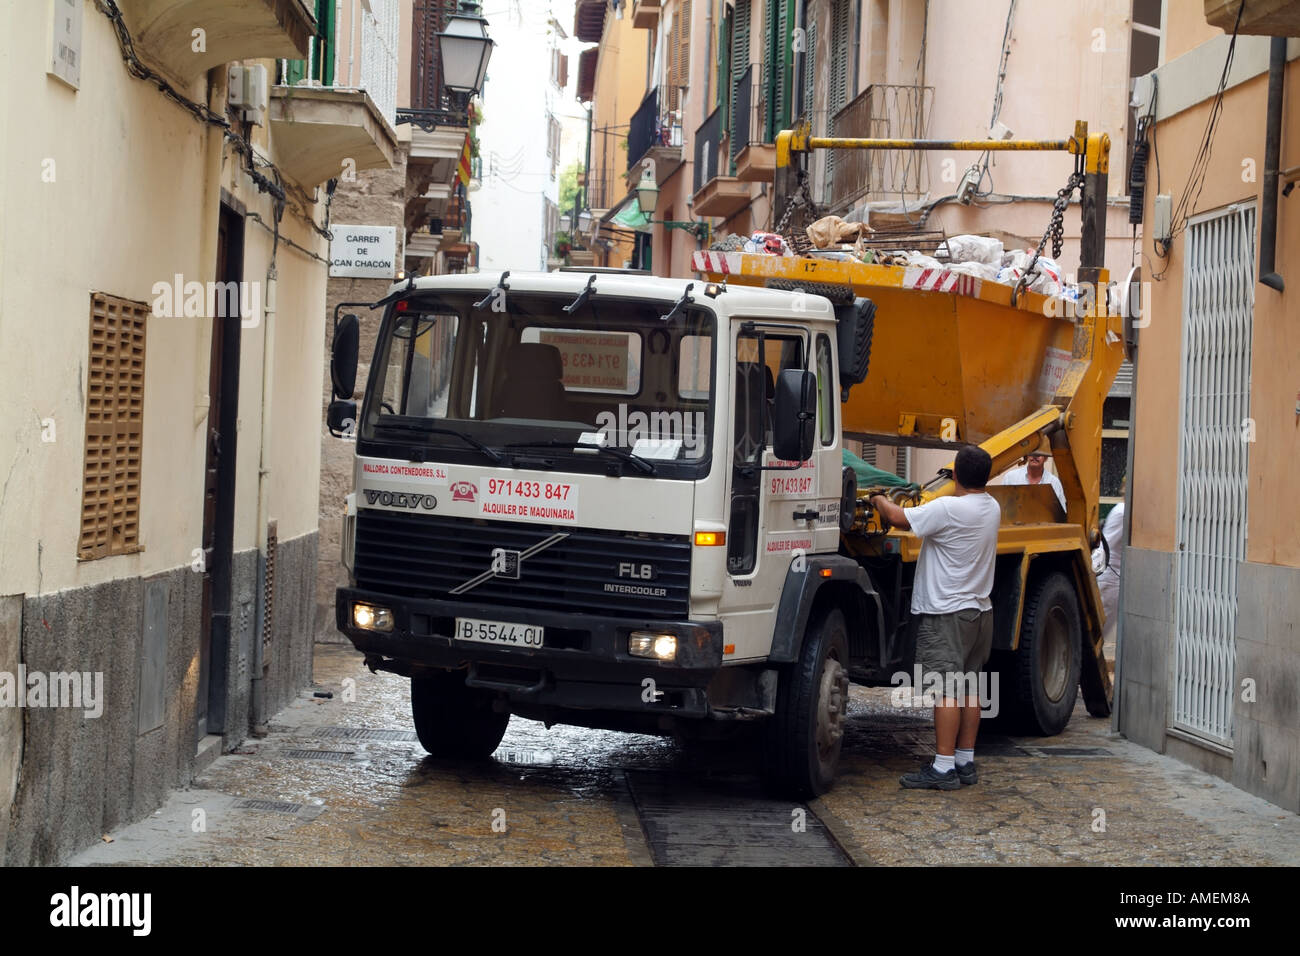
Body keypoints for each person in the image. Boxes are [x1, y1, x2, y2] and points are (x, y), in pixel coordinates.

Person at [870, 445, 1001, 791]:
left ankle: (943, 768)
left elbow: (898, 519)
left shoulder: (948, 509)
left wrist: (878, 499)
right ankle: (964, 761)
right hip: (979, 612)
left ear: (955, 474)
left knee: (945, 691)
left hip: (946, 614)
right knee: (971, 687)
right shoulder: (992, 508)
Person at [1001, 449, 1066, 511]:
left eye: (1039, 454)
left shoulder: (1054, 482)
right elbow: (1001, 506)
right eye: (1032, 452)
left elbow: (1061, 511)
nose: (1035, 456)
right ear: (1027, 455)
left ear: (1046, 458)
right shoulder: (1010, 477)